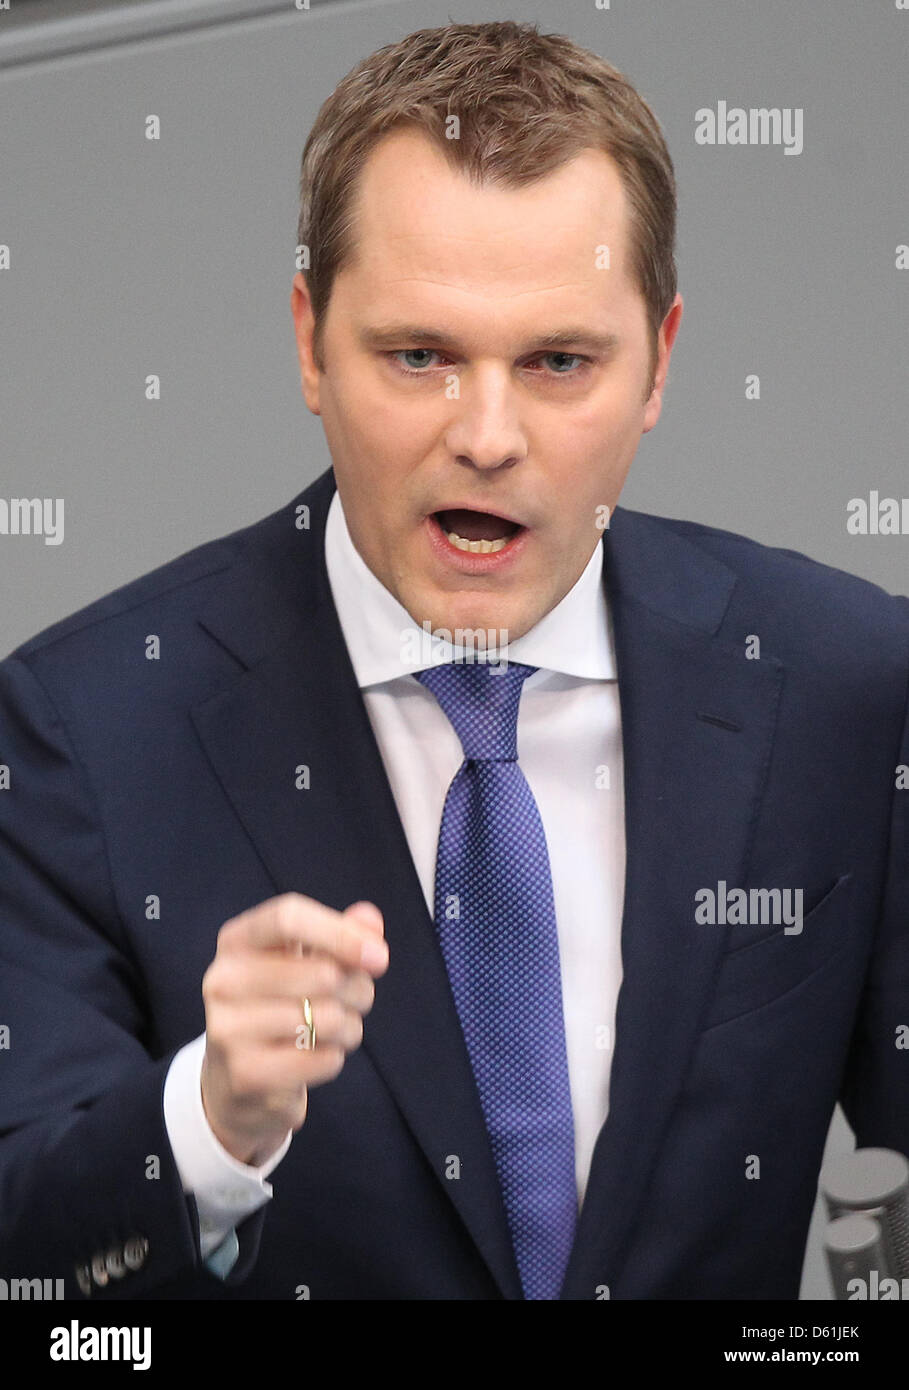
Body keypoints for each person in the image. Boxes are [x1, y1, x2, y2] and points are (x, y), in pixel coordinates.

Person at [0, 20, 906, 1302]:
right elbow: (30, 1275)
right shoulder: (83, 728)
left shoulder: (849, 689)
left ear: (661, 362)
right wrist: (206, 1120)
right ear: (311, 342)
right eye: (419, 355)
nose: (487, 435)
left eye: (559, 362)